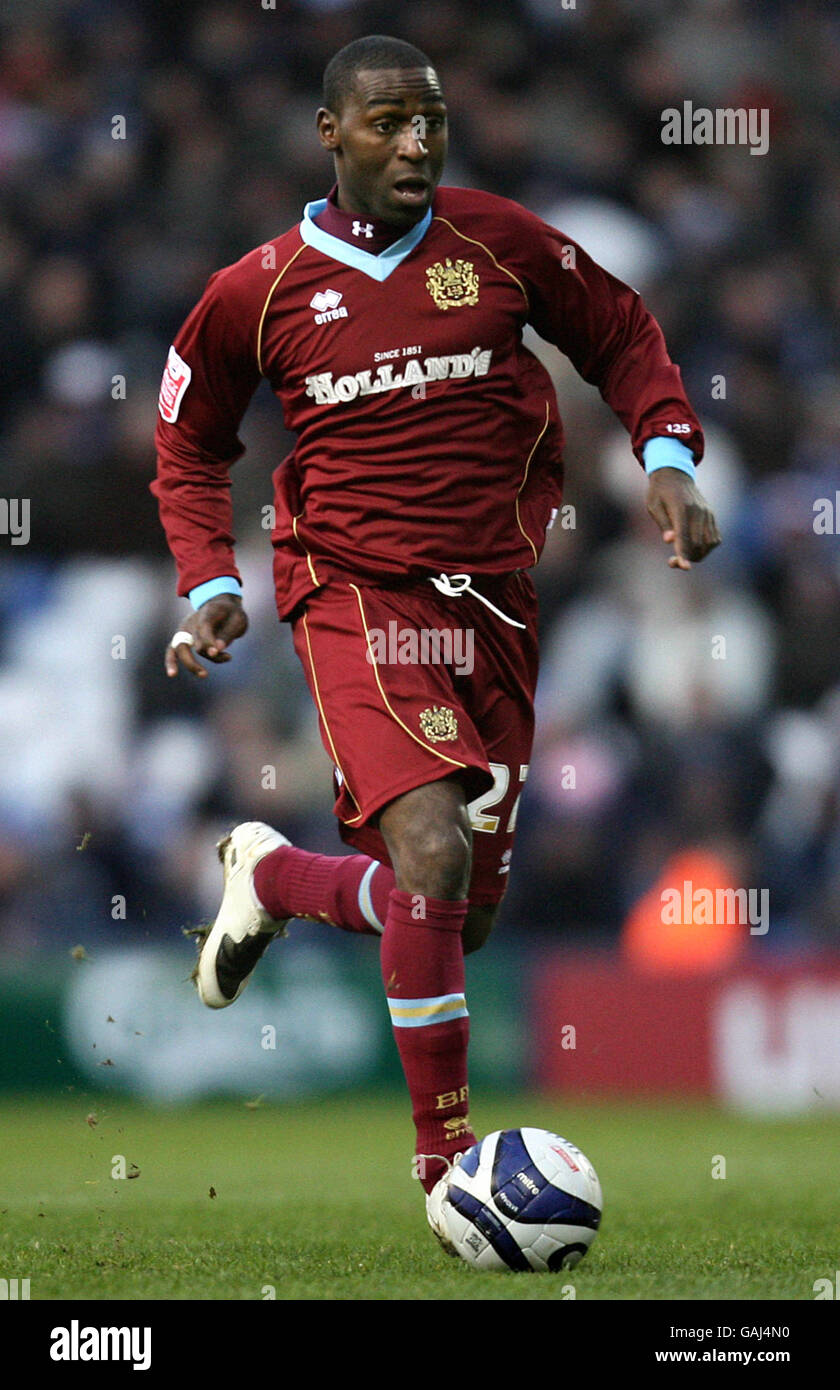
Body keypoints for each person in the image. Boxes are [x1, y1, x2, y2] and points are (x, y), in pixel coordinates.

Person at [152, 34, 720, 1248]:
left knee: (456, 915)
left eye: (431, 120)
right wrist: (207, 580)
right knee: (430, 850)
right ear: (330, 135)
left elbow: (621, 332)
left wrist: (665, 457)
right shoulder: (257, 288)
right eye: (386, 122)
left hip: (499, 602)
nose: (415, 143)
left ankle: (276, 876)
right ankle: (446, 1168)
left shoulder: (499, 243)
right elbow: (192, 443)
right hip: (353, 589)